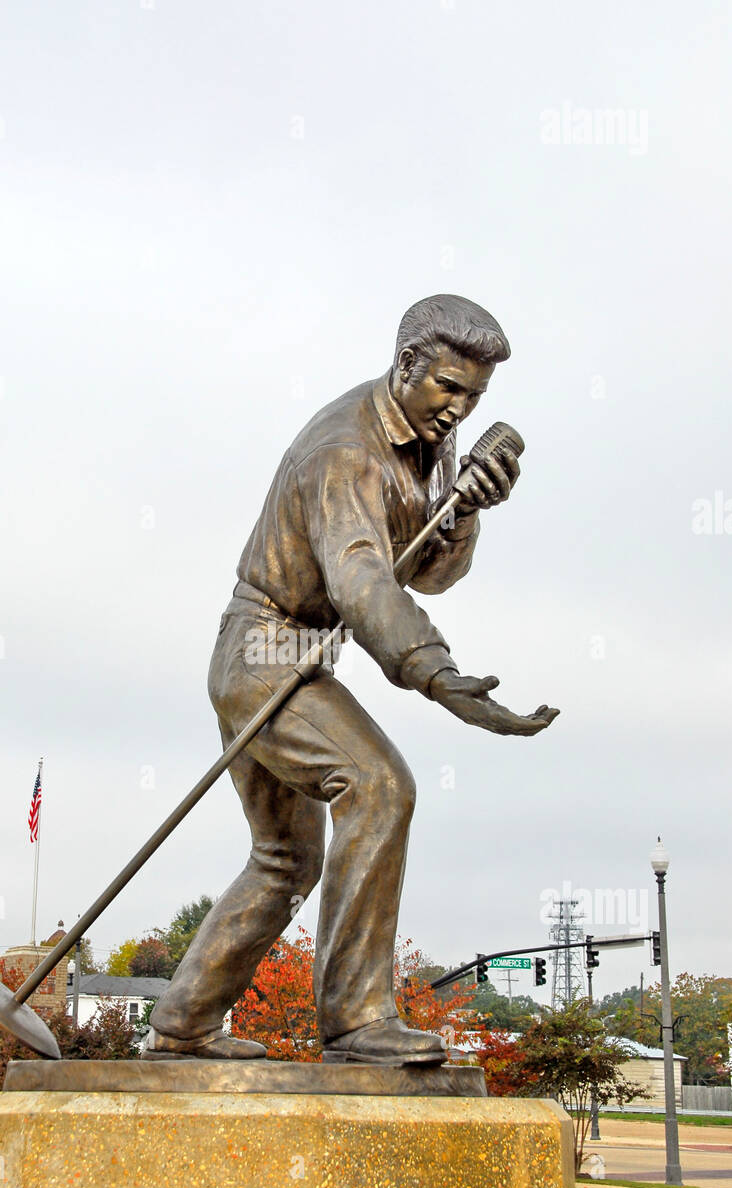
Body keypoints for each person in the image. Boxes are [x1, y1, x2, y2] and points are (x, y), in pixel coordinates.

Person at [146, 294, 558, 1064]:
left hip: (296, 653)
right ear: (405, 366)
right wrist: (434, 672)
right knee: (380, 786)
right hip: (264, 652)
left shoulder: (428, 442)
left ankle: (182, 1023)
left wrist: (465, 511)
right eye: (448, 387)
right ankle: (357, 1019)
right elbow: (361, 579)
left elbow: (426, 574)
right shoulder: (346, 452)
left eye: (474, 397)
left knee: (285, 860)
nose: (459, 409)